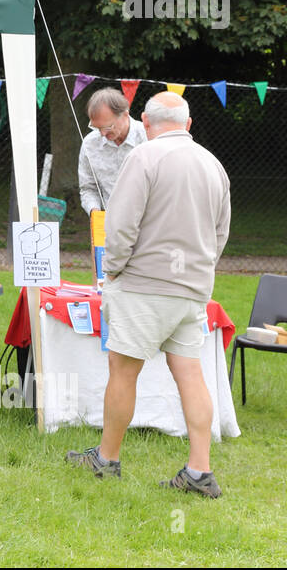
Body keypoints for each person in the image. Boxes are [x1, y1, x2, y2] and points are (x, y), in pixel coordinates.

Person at [66, 91, 231, 497]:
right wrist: (200, 268)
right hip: (193, 288)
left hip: (143, 284)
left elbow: (121, 225)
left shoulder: (143, 157)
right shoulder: (213, 164)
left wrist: (113, 269)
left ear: (144, 120)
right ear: (188, 124)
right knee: (191, 375)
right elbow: (221, 232)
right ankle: (200, 471)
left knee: (123, 371)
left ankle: (106, 459)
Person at [78, 87, 146, 214]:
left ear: (125, 115)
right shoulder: (90, 144)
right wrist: (94, 211)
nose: (102, 133)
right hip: (109, 221)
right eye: (97, 128)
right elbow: (88, 188)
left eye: (108, 127)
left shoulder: (149, 138)